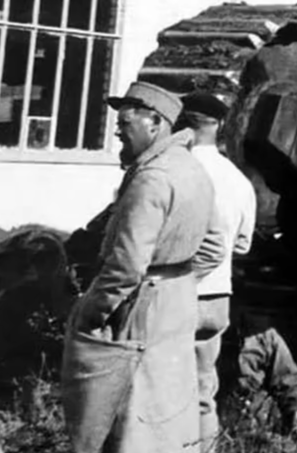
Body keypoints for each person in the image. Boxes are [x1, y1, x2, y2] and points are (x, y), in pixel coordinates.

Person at [60, 81, 227, 453]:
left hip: (141, 306)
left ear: (155, 122)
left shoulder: (151, 179)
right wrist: (177, 280)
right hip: (178, 301)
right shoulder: (191, 167)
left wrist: (90, 312)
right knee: (167, 407)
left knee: (129, 412)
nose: (118, 131)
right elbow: (216, 244)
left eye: (125, 123)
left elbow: (126, 266)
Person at [177, 91, 258, 451]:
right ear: (221, 126)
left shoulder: (171, 169)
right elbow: (242, 246)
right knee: (202, 390)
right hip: (215, 298)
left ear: (181, 123)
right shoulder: (238, 180)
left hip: (173, 295)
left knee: (158, 388)